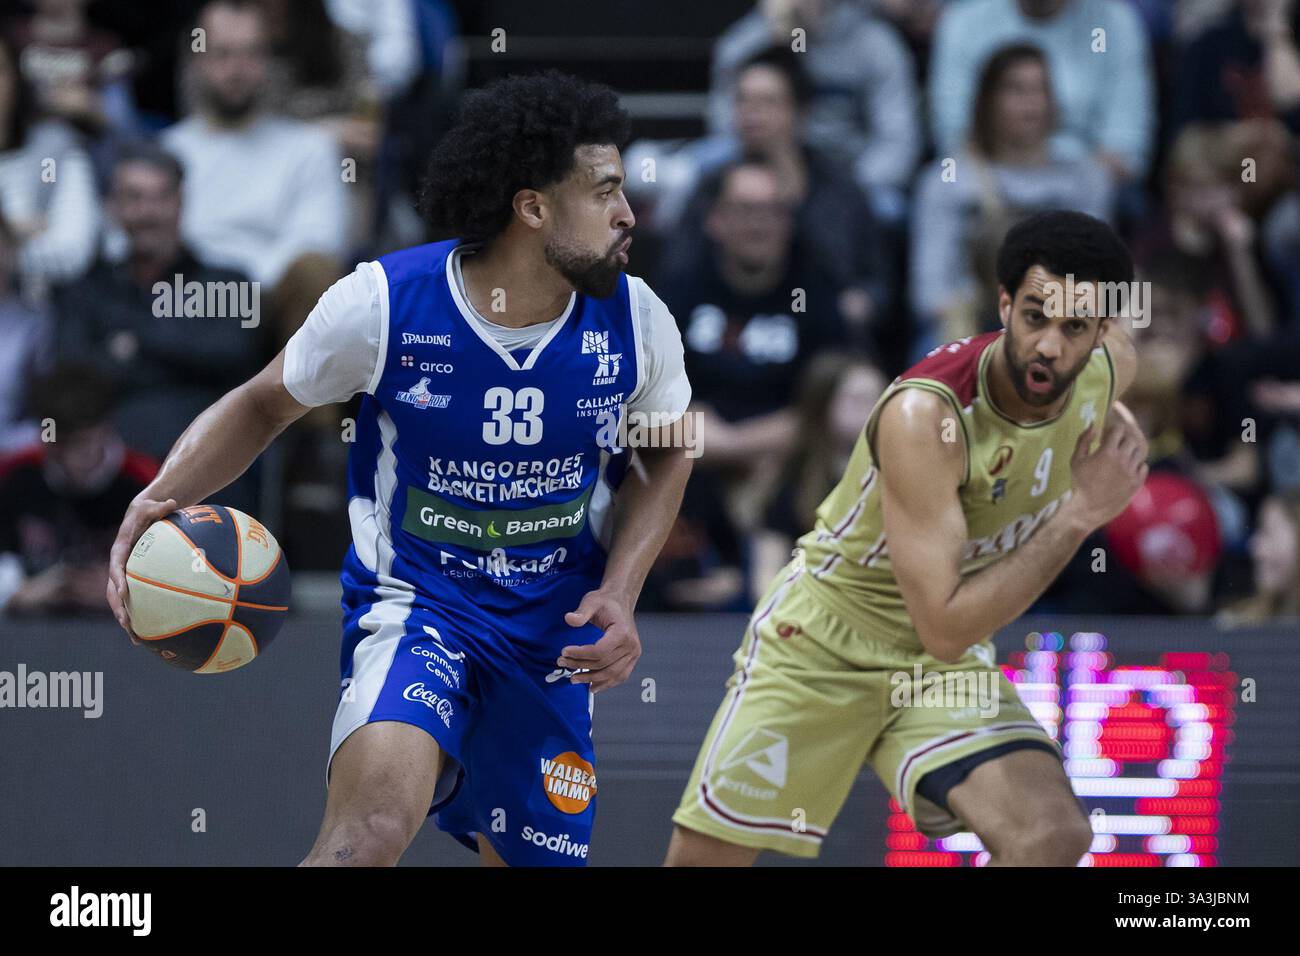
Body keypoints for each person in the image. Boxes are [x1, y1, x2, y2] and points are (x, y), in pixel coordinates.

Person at [106, 70, 694, 868]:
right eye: (606, 191)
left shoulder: (639, 319)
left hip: (554, 633)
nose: (629, 213)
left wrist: (622, 594)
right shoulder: (383, 304)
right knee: (371, 833)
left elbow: (667, 447)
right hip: (420, 605)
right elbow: (260, 403)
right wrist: (161, 494)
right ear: (532, 208)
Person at [665, 210, 1148, 866]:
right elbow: (945, 625)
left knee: (1052, 838)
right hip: (825, 642)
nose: (1049, 347)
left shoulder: (1110, 366)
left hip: (936, 672)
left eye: (1074, 328)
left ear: (1103, 331)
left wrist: (1123, 436)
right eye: (1034, 316)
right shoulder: (926, 413)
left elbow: (1114, 393)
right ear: (1004, 305)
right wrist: (1077, 516)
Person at [52, 145, 265, 495]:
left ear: (181, 203)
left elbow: (235, 359)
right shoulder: (86, 290)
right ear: (112, 207)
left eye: (161, 197)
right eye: (134, 197)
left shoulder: (228, 282)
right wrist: (182, 352)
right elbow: (74, 378)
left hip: (209, 465)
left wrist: (132, 340)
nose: (148, 212)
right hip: (108, 471)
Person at [161, 0, 347, 347]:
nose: (237, 69)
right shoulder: (167, 151)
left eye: (251, 54)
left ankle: (300, 399)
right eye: (223, 54)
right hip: (182, 300)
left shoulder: (309, 147)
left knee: (314, 273)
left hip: (270, 301)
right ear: (197, 59)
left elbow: (319, 241)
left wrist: (241, 287)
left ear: (268, 60)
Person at [910, 43, 1114, 357]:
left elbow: (1098, 278)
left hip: (1061, 320)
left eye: (1041, 90)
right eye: (1017, 90)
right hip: (973, 325)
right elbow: (929, 293)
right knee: (933, 350)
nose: (1032, 104)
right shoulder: (946, 181)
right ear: (987, 100)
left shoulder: (1085, 179)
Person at [929, 0, 1156, 185]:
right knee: (941, 184)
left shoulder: (1114, 22)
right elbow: (954, 135)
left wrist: (1057, 174)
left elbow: (1125, 149)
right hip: (985, 179)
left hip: (1087, 184)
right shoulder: (962, 21)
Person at [0, 364, 157, 617]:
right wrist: (18, 592)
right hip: (29, 629)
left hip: (120, 634)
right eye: (59, 445)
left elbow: (172, 576)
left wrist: (126, 591)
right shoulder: (16, 477)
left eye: (82, 444)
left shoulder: (147, 483)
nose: (71, 461)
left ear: (104, 430)